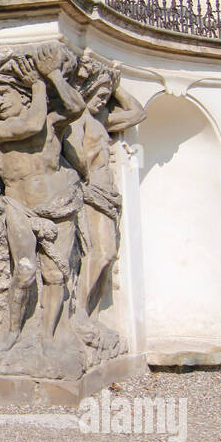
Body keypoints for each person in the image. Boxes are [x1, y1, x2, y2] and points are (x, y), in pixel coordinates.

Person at [0, 43, 87, 352]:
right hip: (20, 206)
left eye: (3, 94)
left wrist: (53, 75)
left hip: (59, 204)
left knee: (55, 274)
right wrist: (39, 84)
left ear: (21, 95)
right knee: (24, 271)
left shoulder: (51, 121)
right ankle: (12, 332)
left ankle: (48, 337)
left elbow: (77, 108)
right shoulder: (0, 129)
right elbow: (31, 124)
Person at [64, 50, 146, 323]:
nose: (102, 101)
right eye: (98, 96)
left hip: (108, 194)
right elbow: (73, 153)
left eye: (104, 97)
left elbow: (137, 113)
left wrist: (114, 84)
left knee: (108, 256)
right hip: (93, 194)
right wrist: (85, 180)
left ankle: (92, 315)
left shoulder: (102, 121)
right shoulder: (78, 120)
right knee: (99, 253)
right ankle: (80, 314)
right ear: (86, 93)